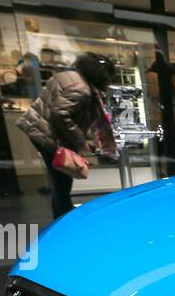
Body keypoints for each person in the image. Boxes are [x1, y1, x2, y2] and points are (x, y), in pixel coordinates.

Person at [16, 52, 117, 219]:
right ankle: (63, 220)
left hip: (40, 130)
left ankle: (62, 216)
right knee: (63, 183)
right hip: (49, 136)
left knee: (59, 182)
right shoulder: (82, 89)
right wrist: (80, 142)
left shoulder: (67, 76)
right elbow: (60, 114)